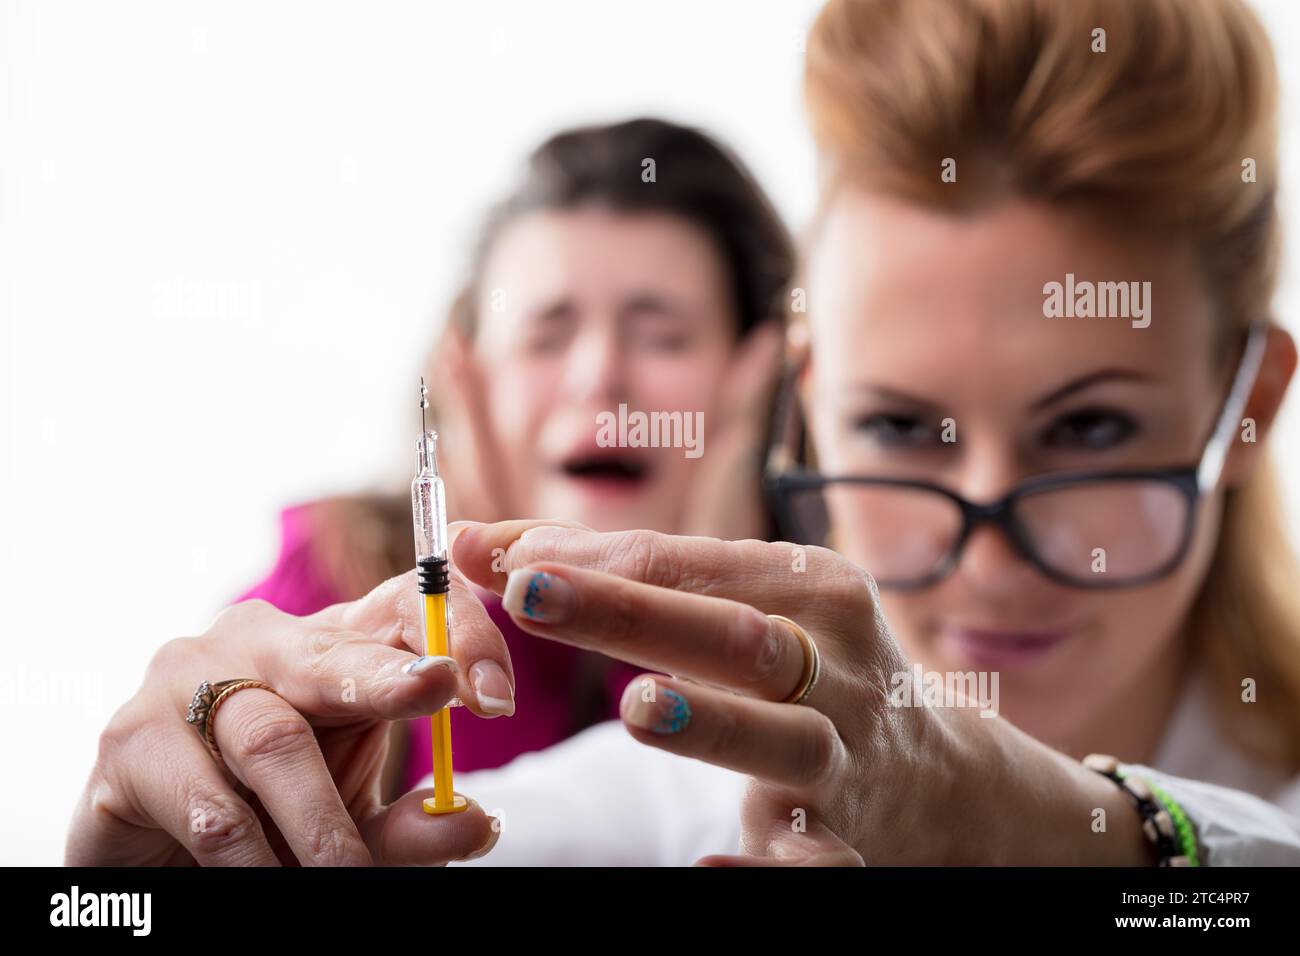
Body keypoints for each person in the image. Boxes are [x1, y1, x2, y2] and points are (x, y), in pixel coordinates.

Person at [68, 0, 1300, 867]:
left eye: (1085, 426)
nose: (983, 547)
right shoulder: (663, 786)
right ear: (804, 398)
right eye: (897, 424)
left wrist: (1041, 834)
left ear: (1245, 404)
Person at [235, 117, 794, 799]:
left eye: (663, 337)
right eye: (545, 337)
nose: (598, 375)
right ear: (466, 376)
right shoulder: (329, 587)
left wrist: (712, 600)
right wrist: (488, 595)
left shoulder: (847, 618)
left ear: (759, 376)